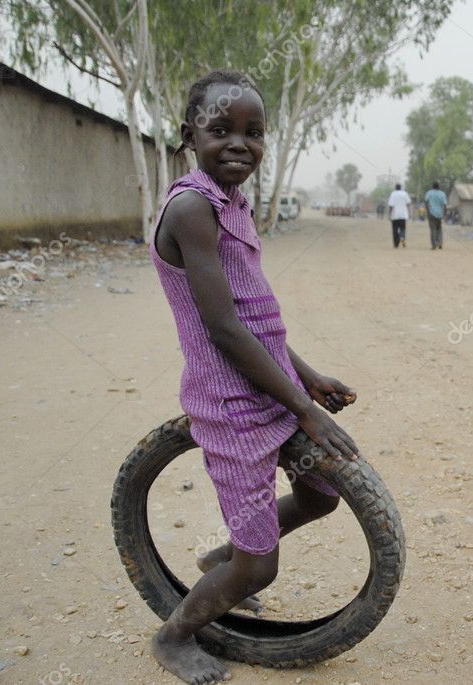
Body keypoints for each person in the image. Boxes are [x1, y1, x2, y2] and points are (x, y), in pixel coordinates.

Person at [149, 70, 361, 684]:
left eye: (254, 132)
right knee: (261, 568)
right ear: (189, 135)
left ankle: (223, 560)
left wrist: (309, 377)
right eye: (221, 130)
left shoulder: (232, 203)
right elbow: (224, 328)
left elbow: (256, 318)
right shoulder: (192, 208)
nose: (240, 143)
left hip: (266, 387)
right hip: (232, 405)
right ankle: (174, 635)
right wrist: (302, 407)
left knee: (321, 494)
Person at [424, 182, 447, 250]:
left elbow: (426, 202)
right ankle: (439, 243)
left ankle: (434, 245)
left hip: (431, 213)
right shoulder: (442, 194)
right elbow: (445, 205)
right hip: (439, 214)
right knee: (439, 228)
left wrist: (427, 211)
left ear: (432, 186)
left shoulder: (429, 193)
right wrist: (444, 214)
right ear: (439, 187)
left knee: (433, 229)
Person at [387, 183, 411, 248]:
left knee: (395, 229)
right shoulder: (405, 193)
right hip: (403, 215)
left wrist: (389, 214)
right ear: (401, 188)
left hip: (395, 215)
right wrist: (409, 213)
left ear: (395, 188)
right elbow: (408, 204)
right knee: (402, 228)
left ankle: (396, 244)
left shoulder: (393, 194)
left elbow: (391, 205)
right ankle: (402, 237)